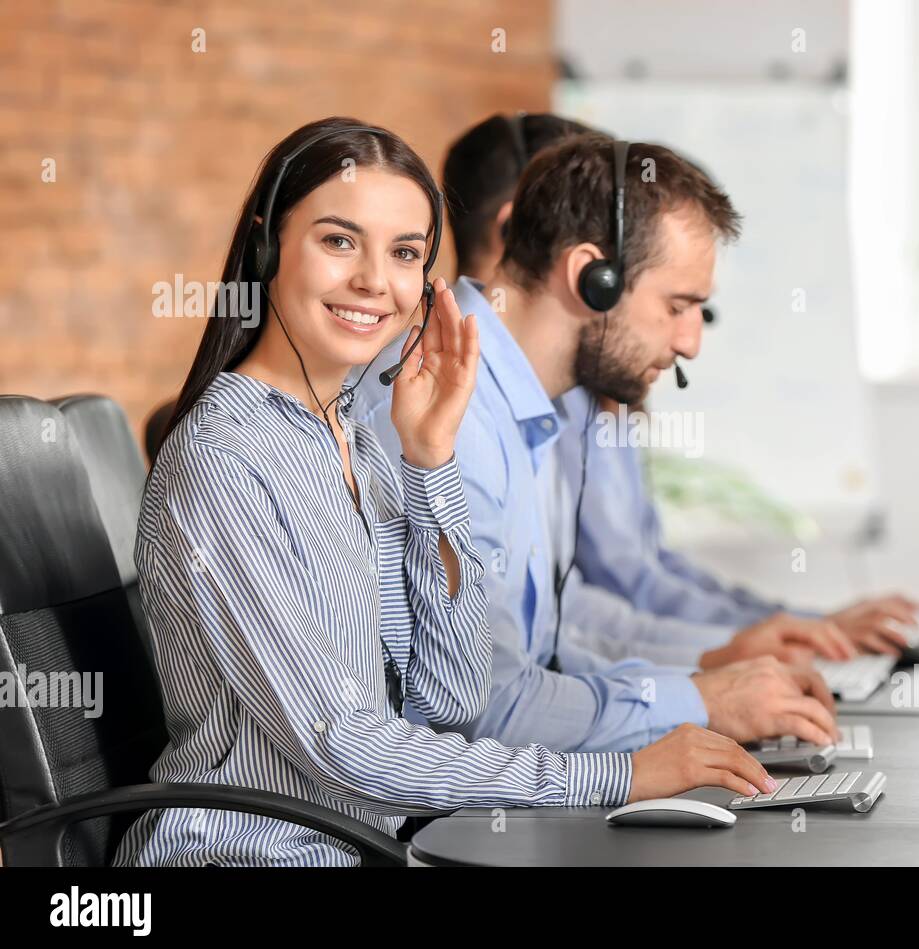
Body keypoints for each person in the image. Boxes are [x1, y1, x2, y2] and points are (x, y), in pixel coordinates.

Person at [115, 117, 773, 867]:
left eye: (403, 254)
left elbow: (452, 699)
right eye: (339, 241)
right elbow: (345, 744)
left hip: (376, 848)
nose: (373, 280)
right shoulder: (226, 460)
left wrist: (431, 465)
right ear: (268, 246)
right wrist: (614, 776)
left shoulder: (360, 440)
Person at [354, 131, 843, 754]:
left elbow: (549, 645)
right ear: (593, 279)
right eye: (677, 305)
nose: (692, 341)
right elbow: (484, 706)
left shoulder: (533, 407)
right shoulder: (447, 407)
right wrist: (699, 701)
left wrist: (705, 682)